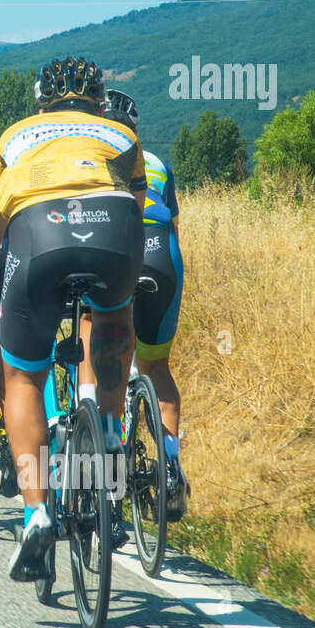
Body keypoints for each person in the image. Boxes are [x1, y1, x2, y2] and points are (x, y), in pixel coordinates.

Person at [0, 57, 146, 582]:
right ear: (98, 96)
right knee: (111, 317)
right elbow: (139, 203)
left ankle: (37, 510)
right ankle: (107, 437)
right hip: (114, 231)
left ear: (42, 99)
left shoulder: (14, 137)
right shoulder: (118, 132)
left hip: (40, 239)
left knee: (23, 377)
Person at [76, 90, 190, 520]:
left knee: (92, 319)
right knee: (156, 368)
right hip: (163, 254)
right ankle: (170, 466)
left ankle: (92, 421)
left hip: (119, 251)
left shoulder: (89, 157)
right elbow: (172, 221)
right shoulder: (157, 163)